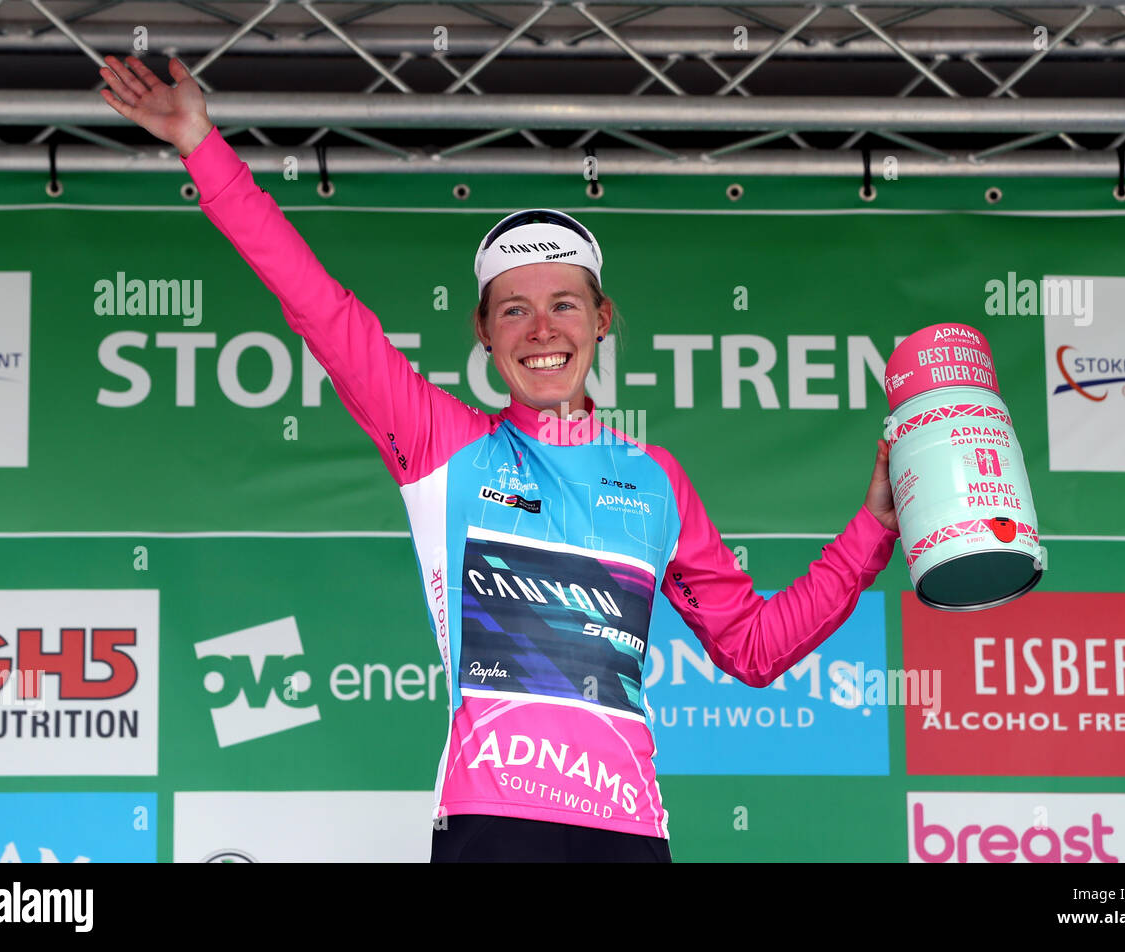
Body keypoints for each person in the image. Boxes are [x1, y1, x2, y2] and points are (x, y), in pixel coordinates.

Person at [100, 55, 902, 863]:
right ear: (484, 333)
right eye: (514, 310)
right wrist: (202, 146)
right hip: (494, 827)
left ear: (602, 319)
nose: (541, 330)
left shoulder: (657, 481)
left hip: (630, 834)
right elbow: (320, 308)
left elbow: (754, 647)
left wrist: (873, 528)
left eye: (564, 305)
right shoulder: (444, 444)